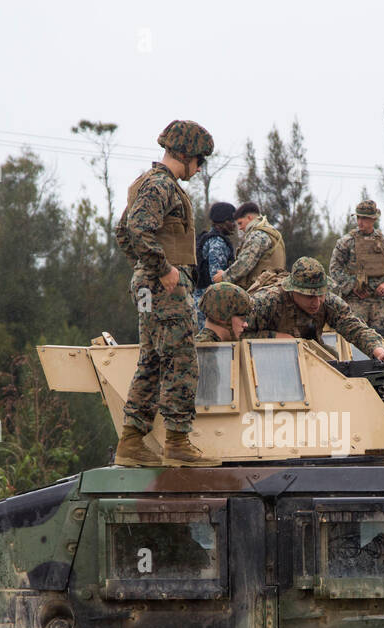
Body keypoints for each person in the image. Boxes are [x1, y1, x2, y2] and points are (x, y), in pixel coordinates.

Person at [113, 118, 218, 467]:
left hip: (153, 286)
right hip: (165, 288)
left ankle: (130, 443)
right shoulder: (161, 185)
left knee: (153, 361)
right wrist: (162, 269)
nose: (199, 167)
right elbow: (137, 229)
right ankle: (177, 442)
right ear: (186, 155)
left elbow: (123, 231)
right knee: (181, 360)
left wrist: (143, 270)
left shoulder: (152, 184)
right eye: (199, 160)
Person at [248, 256, 384, 364]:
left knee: (334, 362)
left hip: (307, 356)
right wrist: (274, 337)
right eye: (310, 296)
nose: (317, 302)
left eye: (320, 294)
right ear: (293, 291)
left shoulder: (328, 302)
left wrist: (379, 351)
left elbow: (355, 328)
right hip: (265, 360)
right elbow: (232, 333)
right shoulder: (267, 302)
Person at [328, 199, 384, 331]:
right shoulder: (346, 242)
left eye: (365, 218)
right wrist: (352, 285)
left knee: (383, 340)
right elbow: (334, 268)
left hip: (379, 302)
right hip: (355, 301)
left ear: (373, 219)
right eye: (358, 217)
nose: (360, 222)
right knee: (356, 338)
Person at [216, 201, 285, 291]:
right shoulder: (272, 232)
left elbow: (245, 263)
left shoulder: (257, 235)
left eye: (240, 223)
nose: (240, 228)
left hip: (261, 291)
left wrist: (224, 276)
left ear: (249, 218)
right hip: (274, 288)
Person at [193, 202, 237, 324]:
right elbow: (216, 278)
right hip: (210, 304)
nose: (234, 225)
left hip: (201, 300)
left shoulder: (206, 238)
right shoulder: (217, 242)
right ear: (222, 221)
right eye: (231, 220)